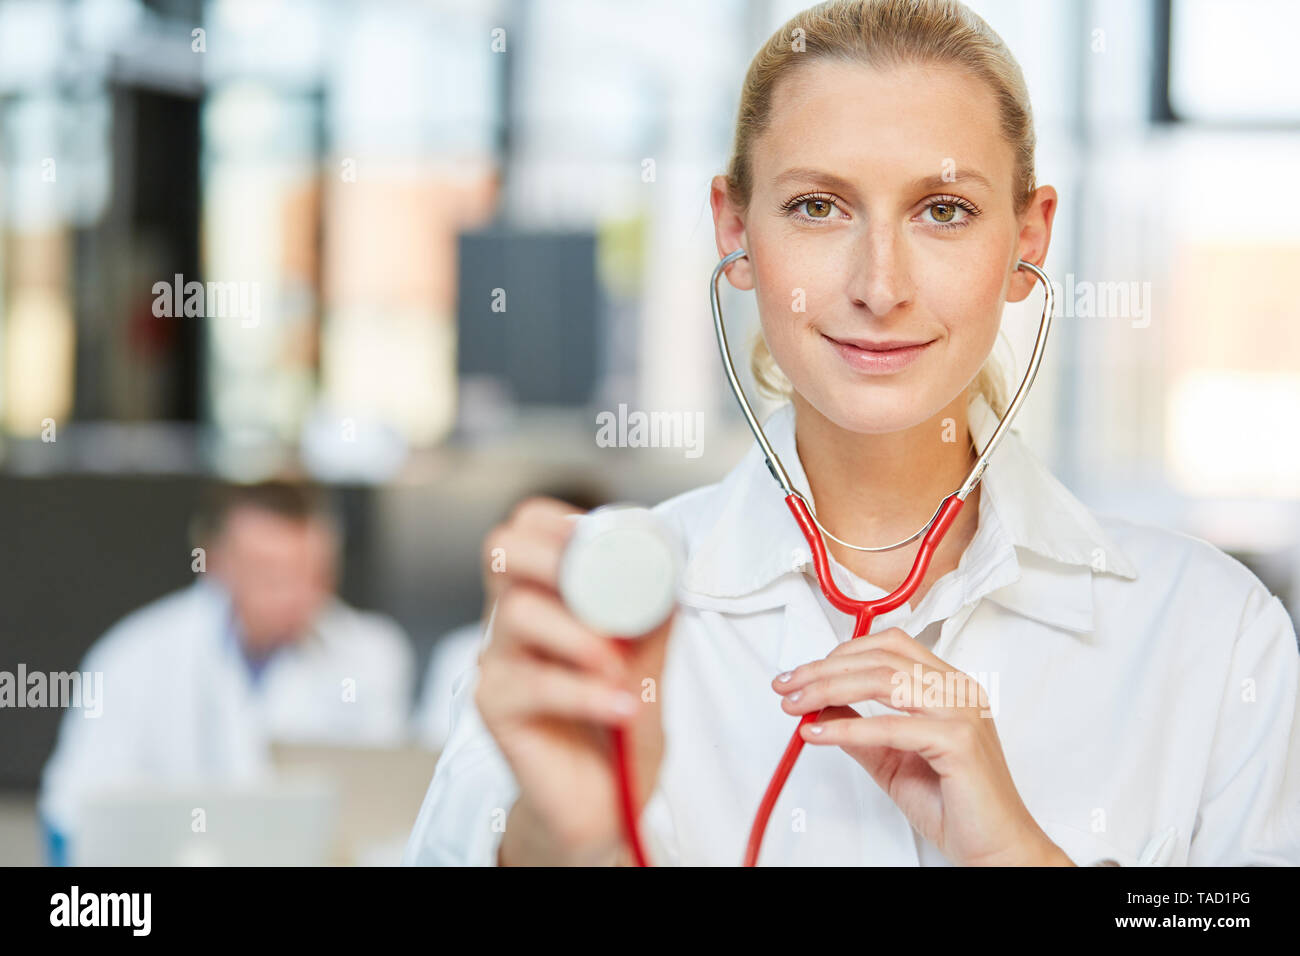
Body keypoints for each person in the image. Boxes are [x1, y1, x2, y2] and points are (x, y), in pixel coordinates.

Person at [404, 0, 1300, 866]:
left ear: (1029, 238)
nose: (880, 286)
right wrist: (565, 852)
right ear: (735, 230)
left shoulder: (1216, 639)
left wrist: (1022, 861)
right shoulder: (590, 631)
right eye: (818, 206)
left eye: (943, 210)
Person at [40, 480, 415, 864]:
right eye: (269, 574)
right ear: (215, 562)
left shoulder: (372, 655)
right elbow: (73, 813)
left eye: (310, 574)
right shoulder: (134, 656)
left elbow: (384, 814)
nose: (291, 594)